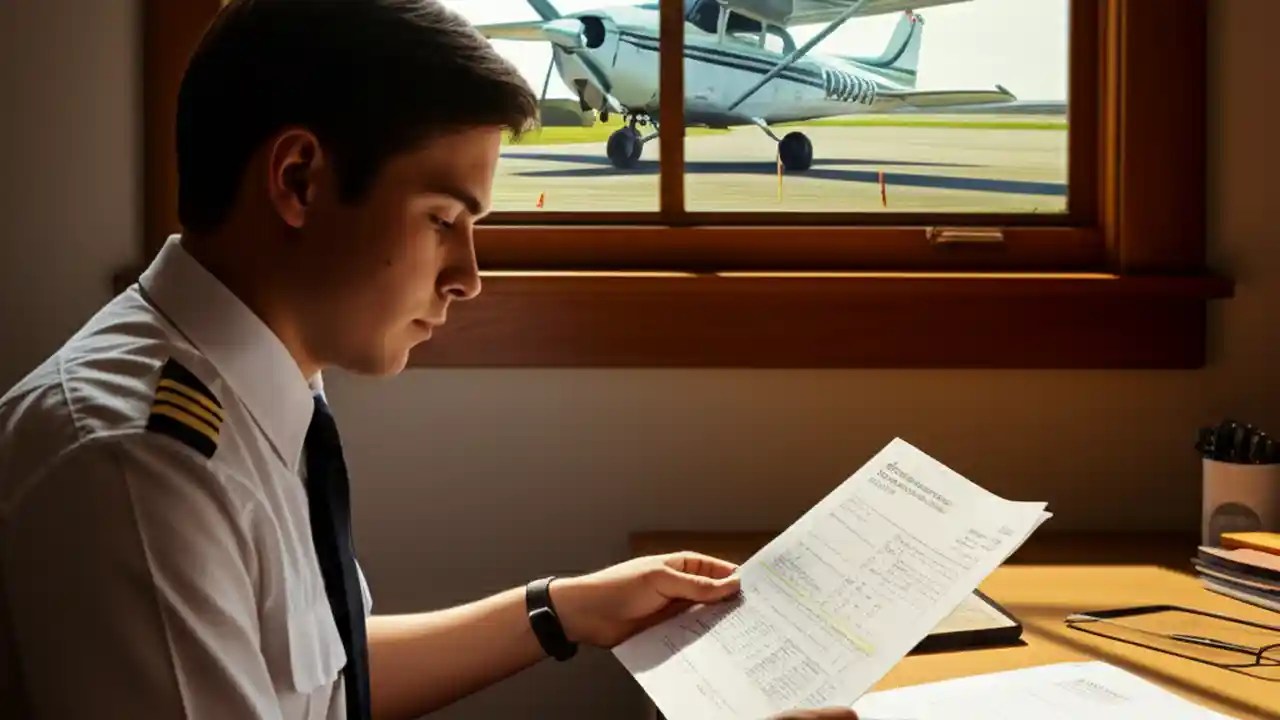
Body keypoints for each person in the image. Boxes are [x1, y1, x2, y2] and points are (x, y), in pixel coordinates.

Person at [0, 1, 859, 718]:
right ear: (298, 181)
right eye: (444, 221)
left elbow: (319, 679)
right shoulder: (139, 474)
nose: (468, 278)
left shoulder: (248, 389)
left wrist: (563, 609)